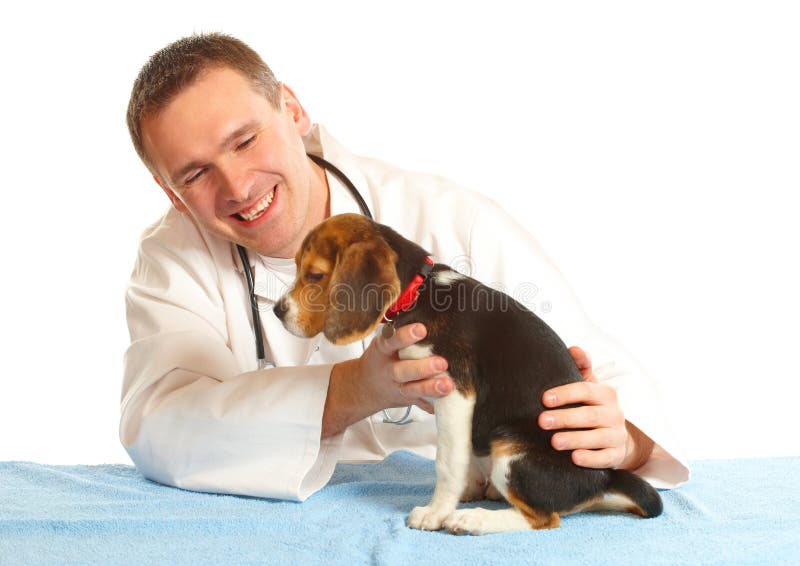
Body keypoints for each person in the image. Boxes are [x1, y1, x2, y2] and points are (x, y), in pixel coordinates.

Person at [121, 33, 689, 500]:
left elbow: (612, 389)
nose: (238, 187)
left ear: (291, 111)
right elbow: (158, 429)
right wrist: (351, 390)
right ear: (170, 193)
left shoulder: (449, 219)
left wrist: (624, 442)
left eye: (245, 140)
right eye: (194, 175)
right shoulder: (171, 264)